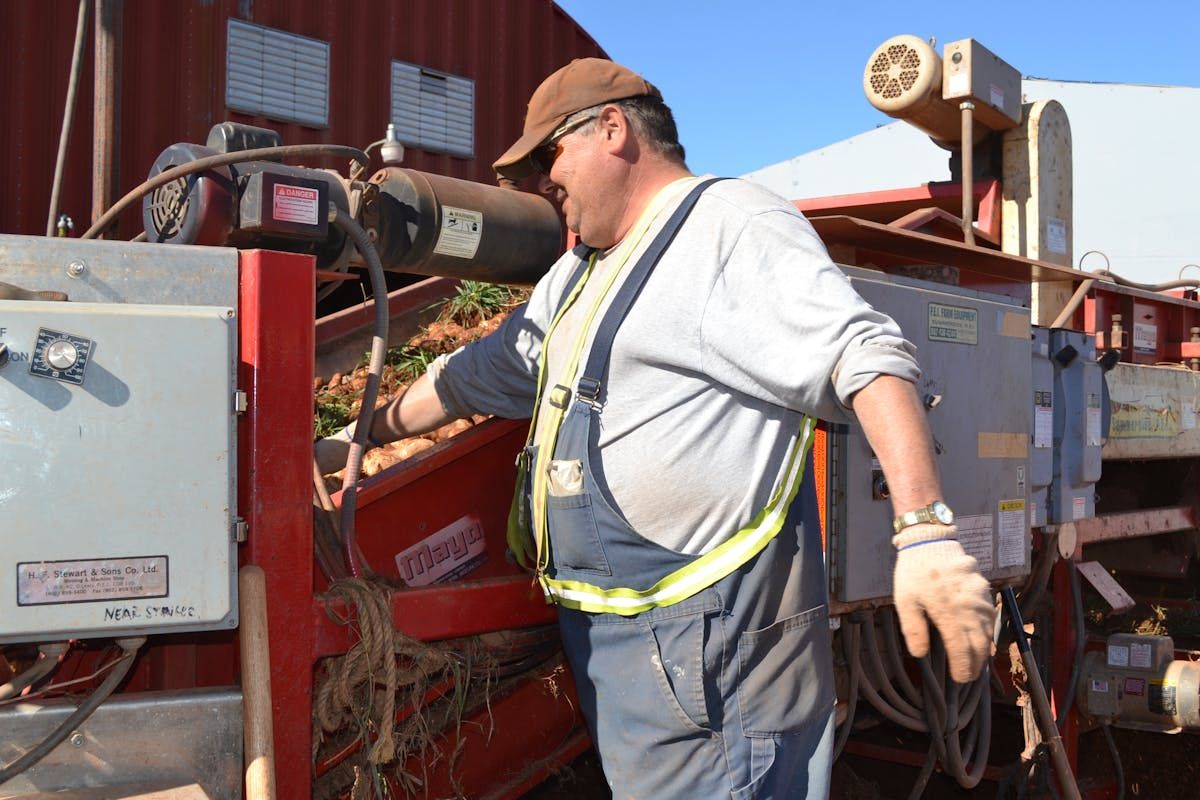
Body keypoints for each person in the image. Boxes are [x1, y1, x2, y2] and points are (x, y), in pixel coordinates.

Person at [316, 58, 995, 798]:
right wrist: (361, 434)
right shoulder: (583, 271)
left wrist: (924, 532)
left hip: (713, 649)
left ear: (613, 131)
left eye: (551, 156)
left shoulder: (728, 225)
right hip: (623, 643)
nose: (547, 183)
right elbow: (487, 372)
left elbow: (869, 356)